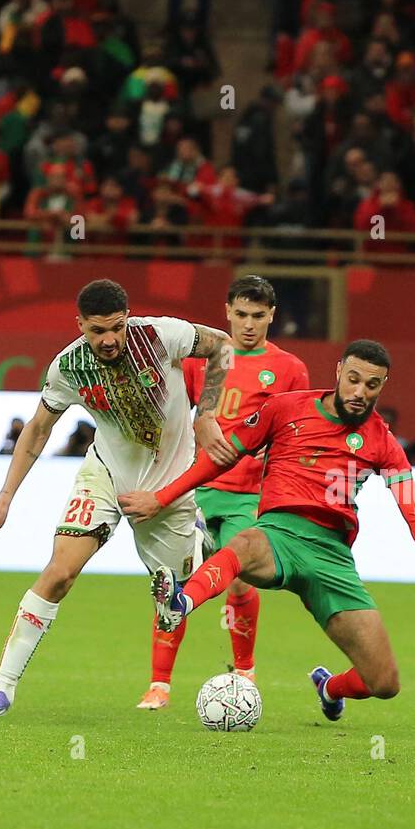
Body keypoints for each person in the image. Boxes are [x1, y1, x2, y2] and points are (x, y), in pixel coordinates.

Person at [122, 341, 415, 720]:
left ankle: (329, 687)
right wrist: (162, 498)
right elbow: (220, 459)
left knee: (384, 682)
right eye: (354, 379)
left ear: (383, 385)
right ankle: (180, 603)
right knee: (242, 544)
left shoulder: (383, 443)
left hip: (332, 560)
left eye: (372, 385)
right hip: (278, 535)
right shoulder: (284, 409)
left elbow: (414, 514)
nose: (360, 393)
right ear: (339, 371)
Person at [0, 279, 234, 717]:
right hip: (105, 474)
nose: (108, 340)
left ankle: (197, 543)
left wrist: (205, 414)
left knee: (172, 608)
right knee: (60, 571)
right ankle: (2, 689)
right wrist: (3, 501)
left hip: (168, 488)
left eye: (116, 328)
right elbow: (37, 430)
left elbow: (222, 346)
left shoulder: (161, 335)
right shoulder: (69, 367)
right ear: (80, 326)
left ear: (128, 318)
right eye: (96, 331)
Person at [140, 275, 310, 710]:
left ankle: (245, 671)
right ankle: (159, 683)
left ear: (271, 315)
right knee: (173, 577)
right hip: (195, 490)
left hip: (247, 494)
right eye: (241, 315)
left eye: (257, 316)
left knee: (238, 579)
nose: (248, 324)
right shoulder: (203, 360)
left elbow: (294, 437)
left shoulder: (290, 368)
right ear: (227, 312)